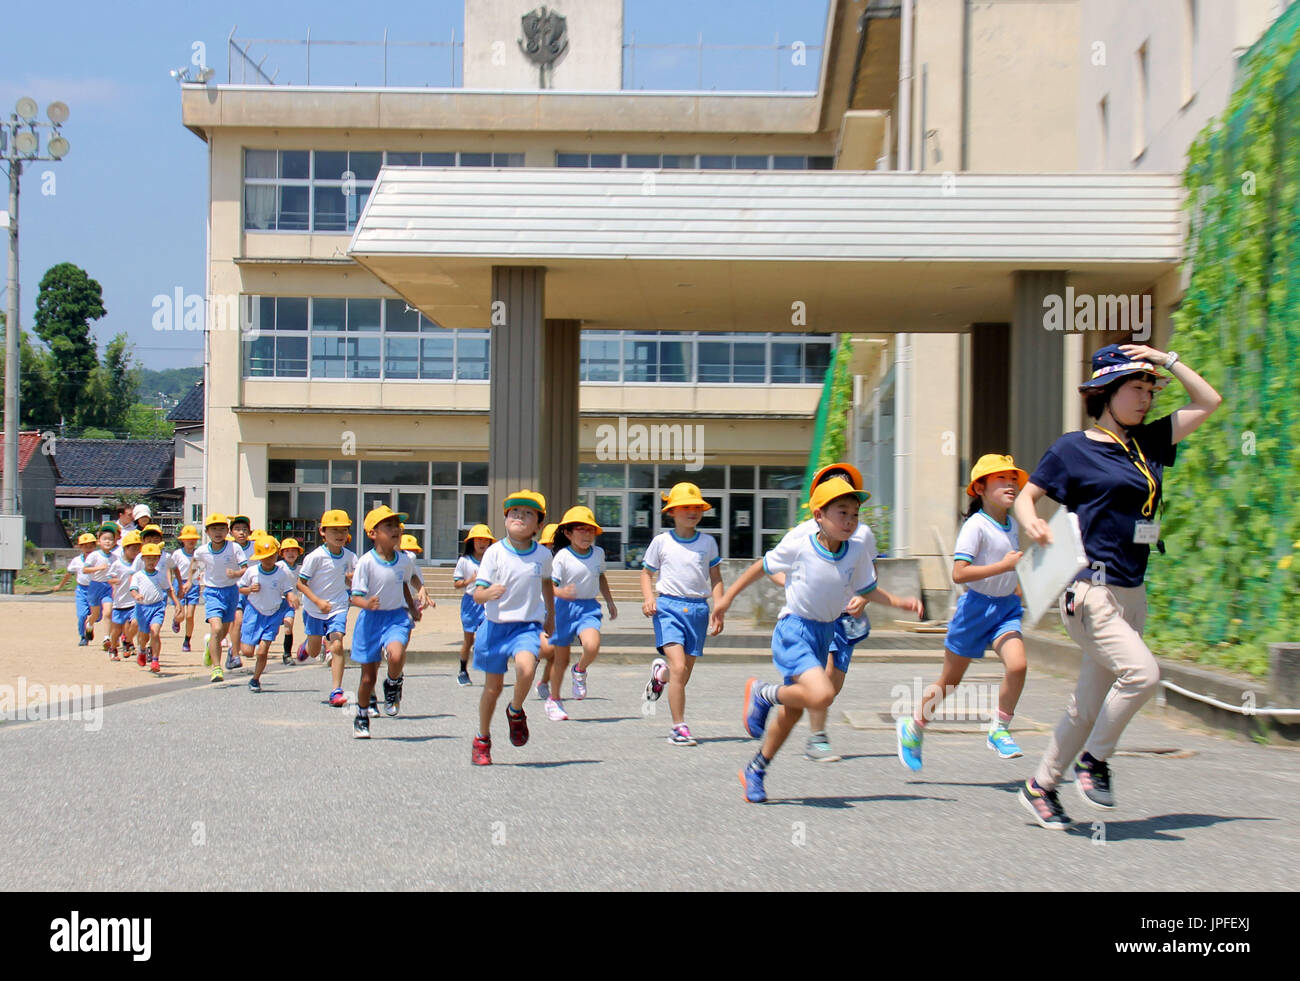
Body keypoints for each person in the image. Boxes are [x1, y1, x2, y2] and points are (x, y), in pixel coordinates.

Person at [1013, 342, 1221, 829]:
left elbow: (1208, 401)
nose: (1147, 398)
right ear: (1106, 392)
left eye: (1151, 390)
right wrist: (1032, 523)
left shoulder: (1149, 443)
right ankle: (1095, 761)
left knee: (1086, 706)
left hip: (1133, 591)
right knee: (1143, 675)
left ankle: (1040, 786)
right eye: (1137, 387)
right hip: (1090, 591)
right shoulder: (1073, 448)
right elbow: (1029, 495)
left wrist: (1164, 358)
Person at [718, 477, 878, 803]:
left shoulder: (856, 549)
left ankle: (756, 770)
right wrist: (726, 600)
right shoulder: (802, 540)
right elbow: (761, 567)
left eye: (854, 514)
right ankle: (763, 693)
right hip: (795, 630)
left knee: (792, 712)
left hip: (825, 632)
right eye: (842, 512)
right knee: (822, 694)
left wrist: (897, 602)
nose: (849, 520)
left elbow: (866, 587)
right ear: (819, 514)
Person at [753, 462, 909, 763]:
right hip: (807, 620)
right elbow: (772, 567)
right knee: (819, 686)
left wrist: (868, 600)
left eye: (846, 485)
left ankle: (758, 765)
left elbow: (867, 576)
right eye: (831, 483)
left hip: (845, 620)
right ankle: (816, 735)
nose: (847, 513)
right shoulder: (803, 534)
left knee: (828, 688)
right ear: (819, 503)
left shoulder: (861, 534)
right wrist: (795, 585)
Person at [896, 455, 1031, 771]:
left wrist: (1017, 584)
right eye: (1002, 480)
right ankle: (913, 728)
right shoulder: (976, 526)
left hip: (1006, 609)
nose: (1011, 485)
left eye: (1014, 480)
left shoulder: (1012, 524)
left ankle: (999, 728)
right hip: (975, 609)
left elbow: (1009, 567)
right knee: (950, 681)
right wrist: (1004, 567)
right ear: (980, 488)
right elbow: (959, 573)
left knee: (1018, 665)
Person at [470, 491, 554, 765]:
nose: (520, 516)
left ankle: (515, 710)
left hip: (526, 626)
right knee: (492, 689)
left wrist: (550, 616)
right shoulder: (494, 552)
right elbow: (477, 594)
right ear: (505, 518)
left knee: (527, 668)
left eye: (528, 513)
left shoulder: (542, 554)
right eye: (515, 511)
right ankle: (482, 739)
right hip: (494, 628)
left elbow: (545, 584)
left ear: (538, 525)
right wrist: (488, 593)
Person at [639, 482, 724, 747]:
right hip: (669, 608)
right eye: (685, 507)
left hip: (698, 610)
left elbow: (716, 578)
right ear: (671, 512)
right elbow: (646, 573)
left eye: (696, 507)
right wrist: (649, 598)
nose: (692, 511)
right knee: (679, 666)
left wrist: (719, 610)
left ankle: (659, 676)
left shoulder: (708, 542)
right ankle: (678, 727)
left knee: (682, 673)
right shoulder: (661, 542)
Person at [349, 506, 430, 738]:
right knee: (368, 677)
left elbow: (404, 583)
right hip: (371, 620)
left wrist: (413, 607)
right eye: (388, 526)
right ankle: (362, 716)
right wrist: (367, 604)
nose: (396, 530)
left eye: (397, 526)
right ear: (373, 533)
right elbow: (354, 596)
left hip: (396, 616)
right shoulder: (366, 562)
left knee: (396, 654)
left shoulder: (404, 560)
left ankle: (393, 683)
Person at [542, 505, 618, 721]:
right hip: (563, 609)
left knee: (592, 646)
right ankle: (554, 699)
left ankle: (580, 670)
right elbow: (548, 586)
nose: (587, 534)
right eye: (581, 529)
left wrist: (610, 601)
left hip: (588, 607)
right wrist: (561, 592)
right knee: (560, 660)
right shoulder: (562, 557)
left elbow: (601, 577)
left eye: (590, 530)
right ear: (568, 533)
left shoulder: (598, 553)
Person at [296, 510, 358, 708]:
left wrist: (353, 580)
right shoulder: (315, 557)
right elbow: (301, 583)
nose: (340, 534)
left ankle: (336, 690)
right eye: (334, 530)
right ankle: (306, 646)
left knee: (338, 645)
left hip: (338, 606)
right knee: (314, 652)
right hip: (315, 609)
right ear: (323, 532)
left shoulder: (350, 556)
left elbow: (357, 578)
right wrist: (317, 602)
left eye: (343, 530)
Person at [185, 513, 244, 682]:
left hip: (231, 591)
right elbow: (195, 566)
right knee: (217, 629)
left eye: (221, 529)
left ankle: (210, 644)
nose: (218, 532)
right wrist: (189, 581)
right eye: (214, 529)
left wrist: (236, 573)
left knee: (221, 633)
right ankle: (217, 669)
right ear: (207, 532)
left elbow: (245, 568)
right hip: (212, 592)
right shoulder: (202, 551)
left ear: (227, 531)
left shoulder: (234, 548)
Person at [238, 536, 299, 693]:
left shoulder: (280, 574)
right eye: (264, 557)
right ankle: (235, 641)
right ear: (259, 557)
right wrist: (250, 589)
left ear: (276, 555)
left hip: (272, 614)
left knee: (262, 650)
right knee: (247, 652)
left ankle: (255, 679)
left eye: (271, 556)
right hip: (253, 612)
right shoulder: (251, 572)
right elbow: (240, 588)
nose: (268, 559)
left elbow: (288, 590)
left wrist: (292, 597)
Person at [453, 525, 496, 688]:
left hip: (488, 602)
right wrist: (469, 580)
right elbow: (456, 584)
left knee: (487, 638)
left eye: (485, 540)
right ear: (471, 542)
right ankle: (463, 671)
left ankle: (490, 671)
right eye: (478, 539)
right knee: (468, 640)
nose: (482, 543)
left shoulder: (492, 560)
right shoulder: (464, 561)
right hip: (470, 603)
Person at [131, 543, 179, 674]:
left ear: (158, 559)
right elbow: (133, 589)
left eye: (154, 558)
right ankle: (141, 649)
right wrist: (137, 595)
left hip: (157, 607)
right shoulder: (138, 575)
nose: (151, 561)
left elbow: (168, 589)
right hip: (142, 608)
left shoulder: (160, 575)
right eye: (148, 558)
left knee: (155, 632)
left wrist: (177, 603)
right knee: (143, 635)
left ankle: (155, 660)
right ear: (143, 559)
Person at [107, 531, 143, 662]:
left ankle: (128, 641)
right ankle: (113, 648)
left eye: (137, 549)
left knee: (135, 623)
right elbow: (108, 578)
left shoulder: (140, 564)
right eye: (132, 549)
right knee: (116, 630)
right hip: (120, 602)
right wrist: (114, 581)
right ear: (125, 549)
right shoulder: (117, 564)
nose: (135, 552)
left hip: (134, 602)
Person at [81, 522, 118, 645]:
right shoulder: (94, 555)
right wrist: (98, 568)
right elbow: (85, 570)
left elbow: (115, 573)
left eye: (110, 539)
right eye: (105, 539)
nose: (108, 542)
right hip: (95, 586)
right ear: (99, 541)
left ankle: (106, 638)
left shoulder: (115, 558)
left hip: (107, 587)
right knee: (95, 615)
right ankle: (89, 624)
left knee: (108, 612)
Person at [225, 514, 254, 667]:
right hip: (234, 590)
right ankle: (235, 654)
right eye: (237, 529)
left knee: (248, 624)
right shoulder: (227, 548)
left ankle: (235, 647)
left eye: (244, 529)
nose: (241, 532)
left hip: (253, 591)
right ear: (231, 532)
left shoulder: (255, 547)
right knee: (237, 621)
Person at [58, 533, 97, 645]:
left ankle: (89, 627)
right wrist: (60, 585)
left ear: (95, 546)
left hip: (95, 589)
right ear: (80, 547)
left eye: (90, 546)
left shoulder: (99, 559)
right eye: (85, 546)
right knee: (82, 615)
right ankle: (83, 636)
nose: (88, 549)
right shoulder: (76, 560)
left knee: (97, 616)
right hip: (82, 590)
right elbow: (69, 574)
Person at [171, 526, 203, 652]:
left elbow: (200, 568)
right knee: (181, 616)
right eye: (188, 539)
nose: (191, 541)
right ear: (182, 540)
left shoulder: (198, 554)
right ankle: (176, 619)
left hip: (193, 584)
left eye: (193, 539)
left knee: (190, 615)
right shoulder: (177, 554)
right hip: (179, 583)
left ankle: (187, 640)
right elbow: (171, 569)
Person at [277, 538, 304, 664]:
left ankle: (287, 654)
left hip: (289, 603)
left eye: (294, 551)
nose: (291, 553)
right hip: (275, 602)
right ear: (282, 554)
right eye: (287, 551)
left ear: (298, 553)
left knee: (288, 626)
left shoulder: (300, 569)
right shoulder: (278, 567)